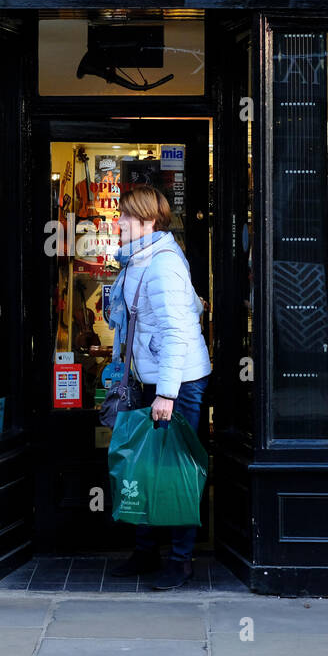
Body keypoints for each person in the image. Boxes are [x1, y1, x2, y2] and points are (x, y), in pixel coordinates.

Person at [107, 184, 212, 589]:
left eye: (127, 216)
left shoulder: (162, 264)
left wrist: (166, 394)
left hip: (178, 382)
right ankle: (146, 551)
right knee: (149, 465)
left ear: (147, 220)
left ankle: (181, 559)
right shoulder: (137, 259)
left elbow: (175, 332)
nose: (120, 222)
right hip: (154, 378)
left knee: (174, 468)